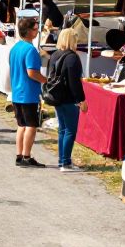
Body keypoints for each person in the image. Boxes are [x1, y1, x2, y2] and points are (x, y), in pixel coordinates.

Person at [47, 28, 88, 172]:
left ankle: (62, 160)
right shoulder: (72, 57)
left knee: (62, 129)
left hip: (57, 96)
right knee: (70, 130)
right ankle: (65, 162)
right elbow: (74, 82)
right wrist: (81, 100)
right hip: (69, 98)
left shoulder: (54, 55)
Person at [9, 16, 47, 167]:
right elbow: (32, 72)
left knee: (21, 125)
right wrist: (45, 80)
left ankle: (19, 155)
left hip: (17, 92)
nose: (37, 31)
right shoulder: (30, 50)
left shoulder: (15, 48)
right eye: (35, 29)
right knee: (31, 125)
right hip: (28, 93)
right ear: (29, 31)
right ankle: (26, 156)